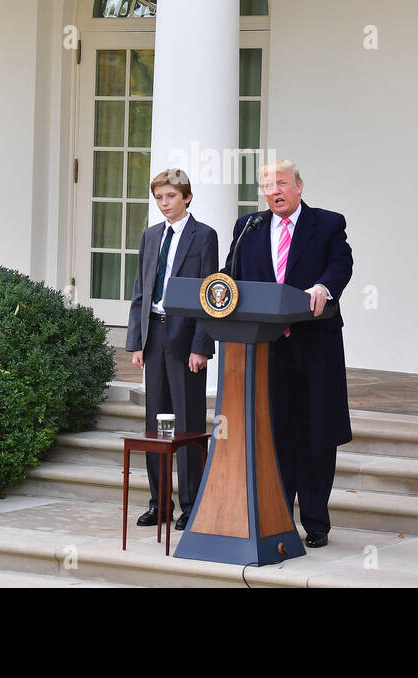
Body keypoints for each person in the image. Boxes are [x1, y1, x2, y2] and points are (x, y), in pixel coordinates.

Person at [224, 160, 353, 548]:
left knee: (315, 433)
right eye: (267, 185)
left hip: (314, 346)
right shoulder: (249, 227)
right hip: (267, 347)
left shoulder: (328, 224)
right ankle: (277, 516)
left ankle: (316, 522)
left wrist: (323, 287)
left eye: (281, 183)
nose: (274, 191)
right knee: (273, 432)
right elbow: (230, 272)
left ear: (299, 186)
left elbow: (341, 265)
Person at [126, 169, 218, 531]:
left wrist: (201, 346)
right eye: (160, 198)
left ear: (187, 197)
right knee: (157, 424)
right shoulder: (150, 237)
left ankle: (191, 503)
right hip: (155, 338)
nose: (165, 204)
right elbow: (140, 291)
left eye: (171, 197)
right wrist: (137, 342)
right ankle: (158, 502)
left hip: (186, 341)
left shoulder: (204, 237)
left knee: (188, 423)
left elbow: (211, 295)